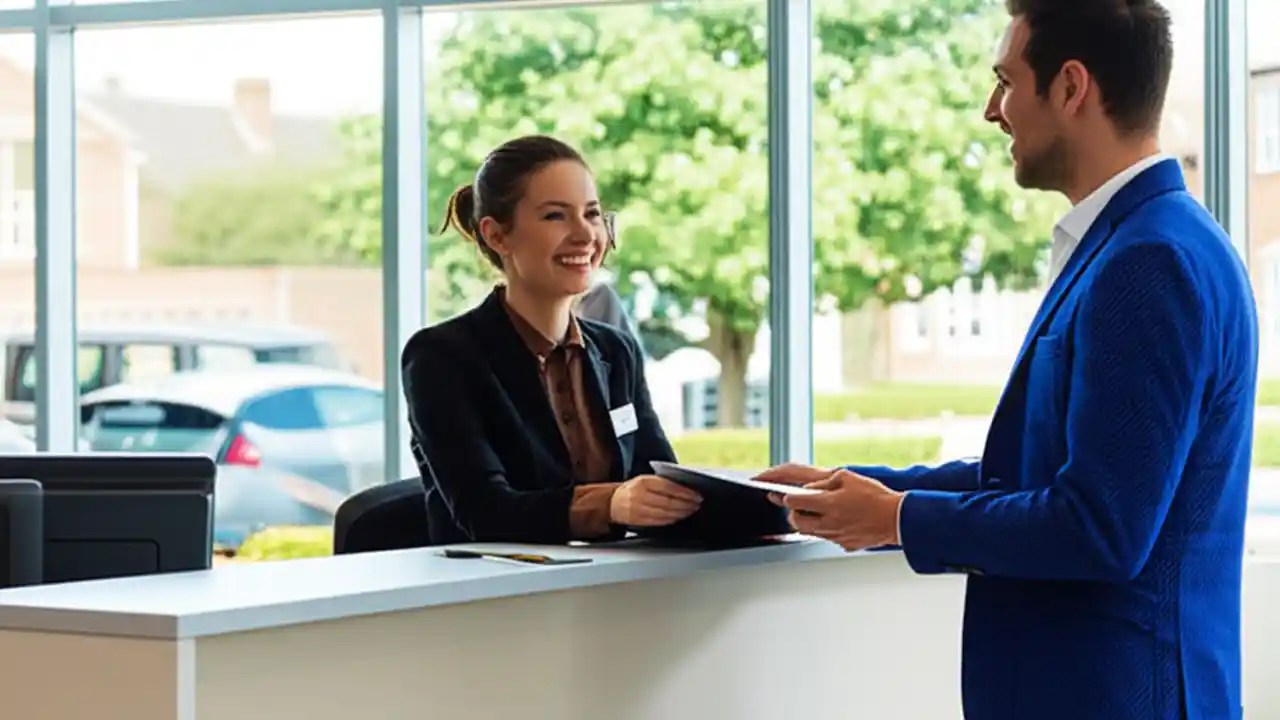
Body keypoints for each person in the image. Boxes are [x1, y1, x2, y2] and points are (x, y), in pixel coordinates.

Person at [759, 2, 1257, 719]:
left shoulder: (1149, 261)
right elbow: (1038, 474)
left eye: (1006, 81)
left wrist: (900, 520)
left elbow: (1101, 529)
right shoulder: (1148, 242)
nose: (994, 110)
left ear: (1070, 87)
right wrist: (853, 493)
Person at [401, 135, 784, 545]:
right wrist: (612, 504)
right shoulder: (442, 357)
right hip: (495, 596)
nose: (585, 235)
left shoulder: (615, 351)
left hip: (609, 589)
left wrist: (778, 506)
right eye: (555, 216)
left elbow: (659, 486)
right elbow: (485, 511)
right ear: (498, 236)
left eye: (593, 214)